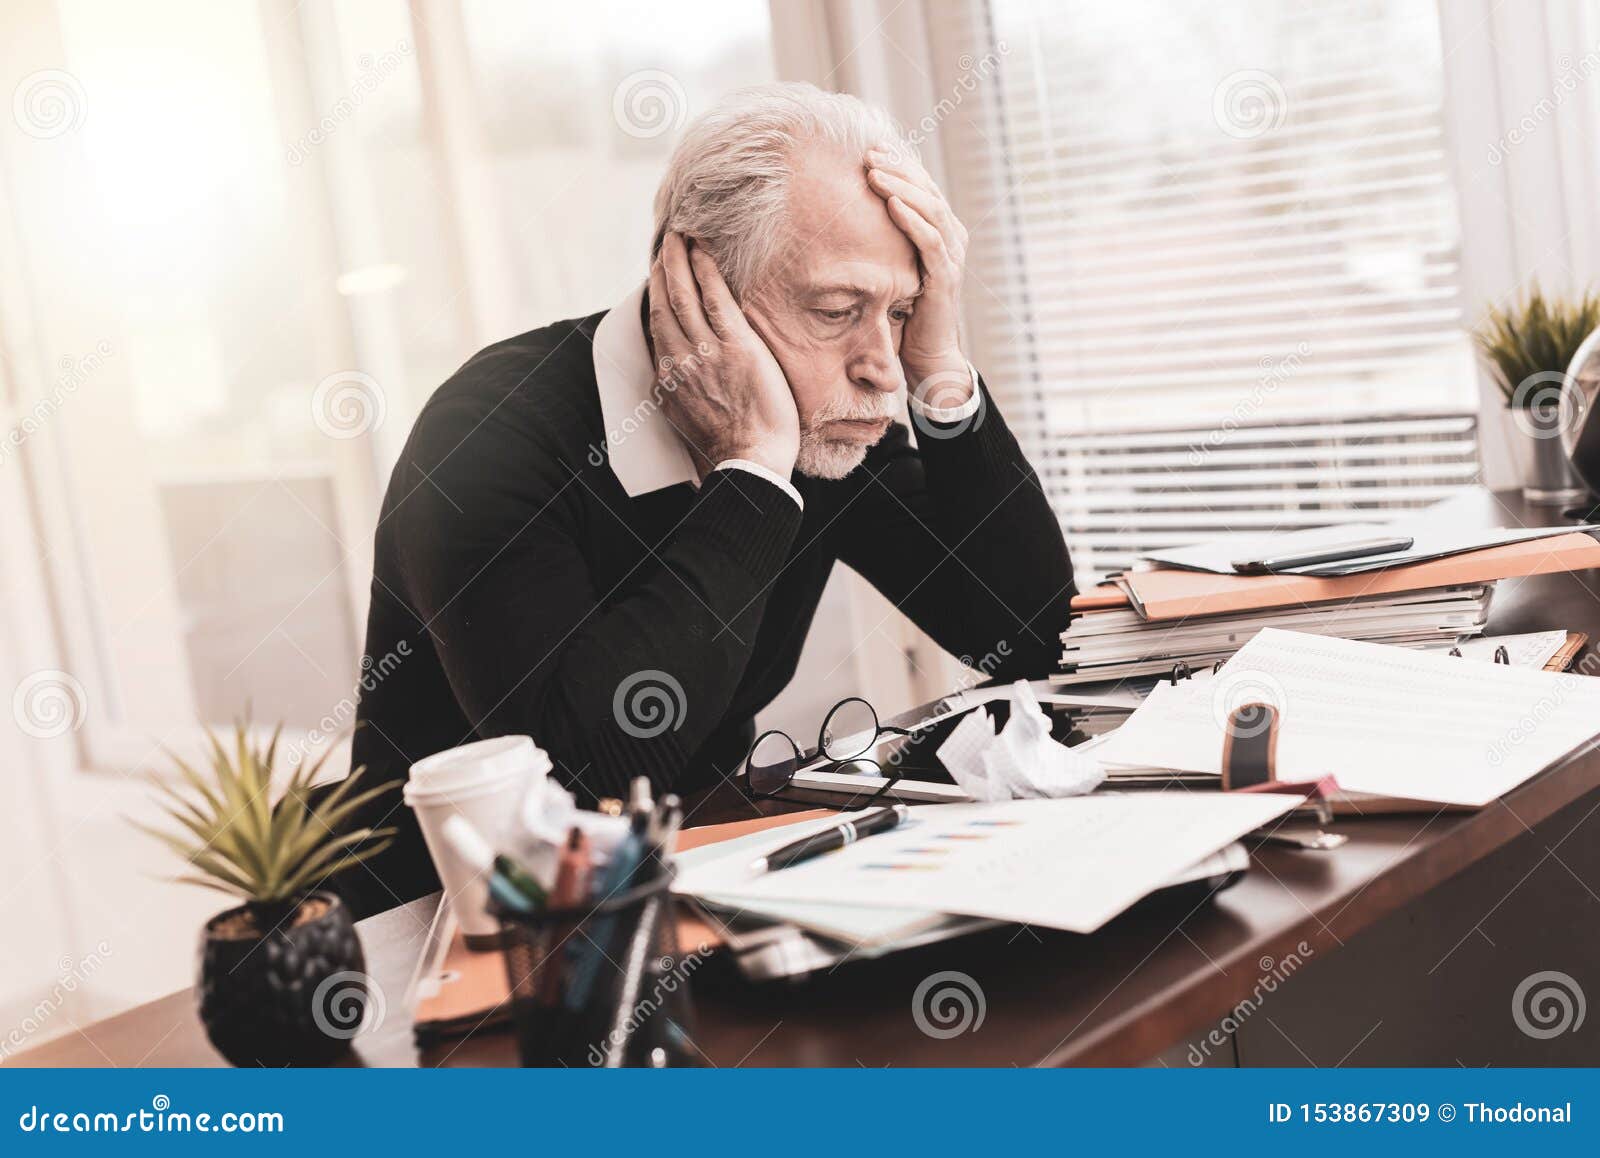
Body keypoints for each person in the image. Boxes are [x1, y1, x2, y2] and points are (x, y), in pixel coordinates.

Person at [336, 82, 1073, 915]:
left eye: (900, 311)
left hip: (696, 889)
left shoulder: (837, 414)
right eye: (837, 309)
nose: (881, 366)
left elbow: (1029, 635)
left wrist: (942, 373)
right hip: (450, 941)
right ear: (695, 280)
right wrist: (753, 469)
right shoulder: (487, 436)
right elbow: (583, 775)